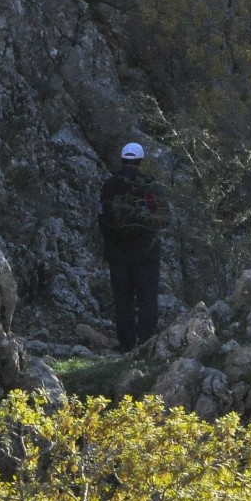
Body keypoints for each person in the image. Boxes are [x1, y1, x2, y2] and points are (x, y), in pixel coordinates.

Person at [97, 142, 169, 352]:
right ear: (141, 161)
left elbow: (101, 218)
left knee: (123, 300)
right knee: (147, 298)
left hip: (117, 254)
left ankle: (126, 344)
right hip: (146, 253)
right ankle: (146, 343)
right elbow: (164, 218)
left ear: (122, 159)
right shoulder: (149, 186)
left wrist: (112, 242)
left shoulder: (109, 186)